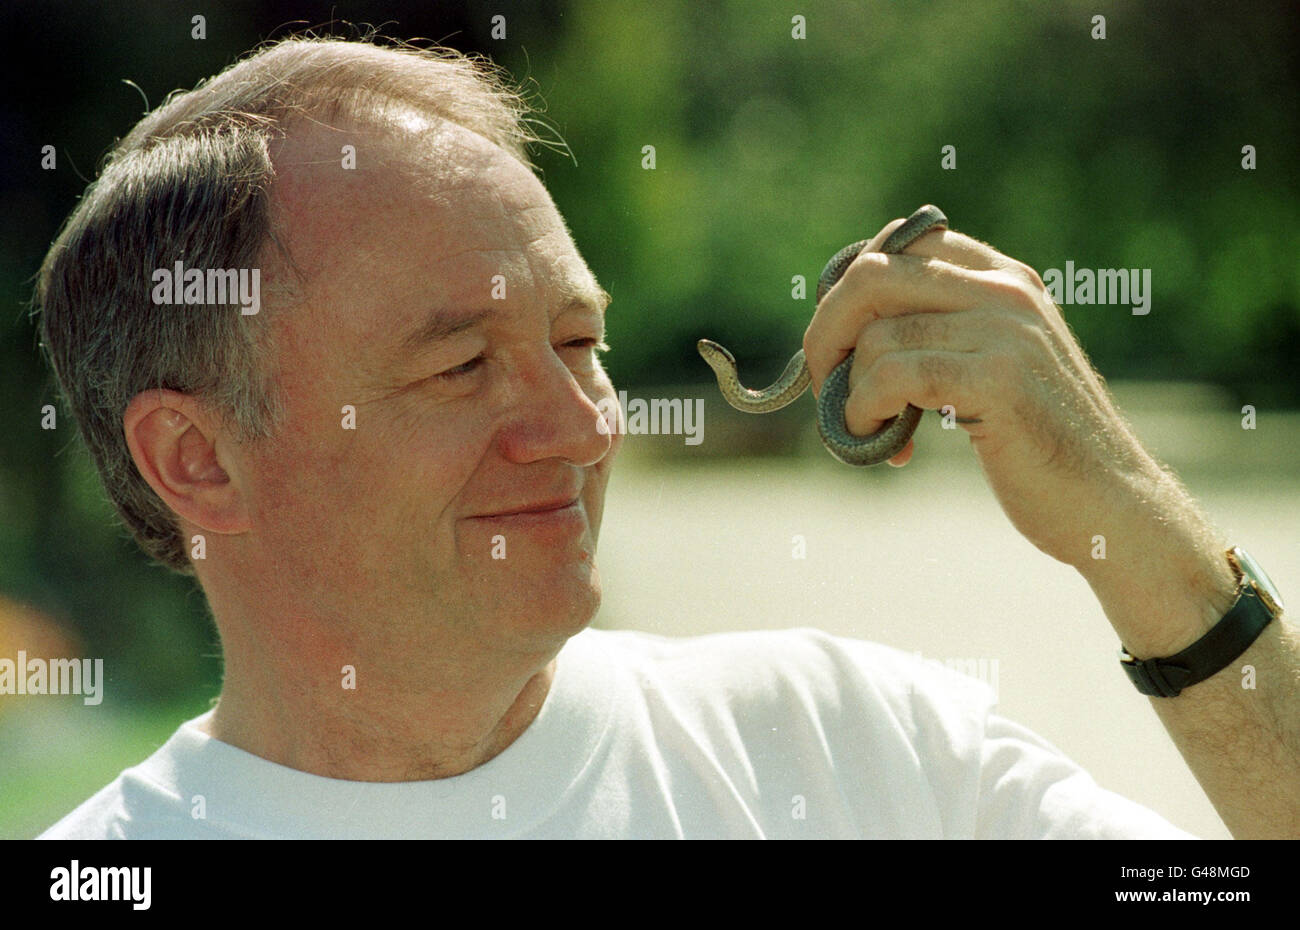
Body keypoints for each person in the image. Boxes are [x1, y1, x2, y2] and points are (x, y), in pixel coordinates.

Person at [34, 36, 1295, 839]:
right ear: (197, 461)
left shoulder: (848, 743)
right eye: (461, 364)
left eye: (580, 345)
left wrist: (1129, 521)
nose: (582, 427)